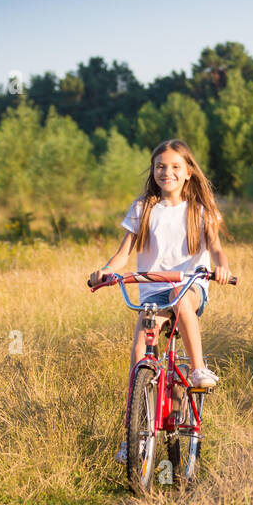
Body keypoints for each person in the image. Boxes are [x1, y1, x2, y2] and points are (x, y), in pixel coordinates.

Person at [90, 139, 232, 465]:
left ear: (188, 173)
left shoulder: (200, 211)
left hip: (188, 286)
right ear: (153, 171)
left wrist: (221, 266)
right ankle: (134, 435)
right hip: (152, 290)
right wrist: (106, 271)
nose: (166, 172)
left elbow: (217, 248)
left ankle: (197, 370)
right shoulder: (143, 208)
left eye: (175, 167)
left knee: (180, 304)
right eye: (160, 167)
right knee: (140, 355)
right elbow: (124, 253)